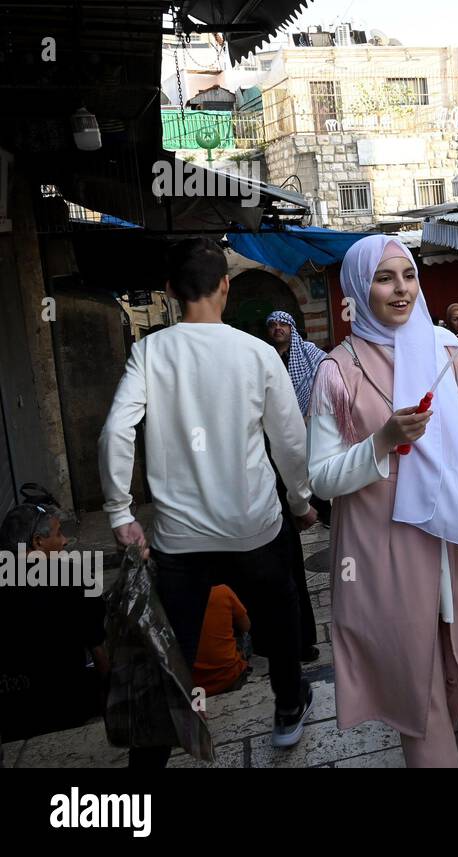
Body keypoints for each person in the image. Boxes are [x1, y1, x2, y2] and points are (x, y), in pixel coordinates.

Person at [307, 236, 458, 767]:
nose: (400, 289)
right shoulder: (336, 372)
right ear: (359, 288)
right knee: (416, 676)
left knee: (457, 658)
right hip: (382, 547)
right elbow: (321, 477)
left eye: (407, 275)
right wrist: (381, 442)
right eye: (385, 278)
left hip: (452, 535)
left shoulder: (446, 352)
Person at [99, 237, 317, 767]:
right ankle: (288, 709)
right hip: (255, 528)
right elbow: (289, 441)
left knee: (170, 650)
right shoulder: (259, 353)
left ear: (170, 291)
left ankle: (147, 761)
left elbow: (115, 432)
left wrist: (119, 513)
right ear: (225, 285)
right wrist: (301, 501)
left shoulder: (149, 352)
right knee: (280, 617)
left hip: (180, 543)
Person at [0, 504, 106, 744]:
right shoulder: (73, 577)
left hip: (8, 715)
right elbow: (100, 650)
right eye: (59, 533)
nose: (65, 541)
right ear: (38, 542)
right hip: (67, 707)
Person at [265, 309, 328, 660]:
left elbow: (327, 380)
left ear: (292, 328)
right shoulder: (265, 359)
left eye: (282, 324)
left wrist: (310, 414)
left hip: (314, 425)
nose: (277, 330)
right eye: (272, 325)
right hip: (283, 438)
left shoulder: (312, 355)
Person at [191, 585, 252, 697]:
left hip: (196, 685)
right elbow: (246, 626)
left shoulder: (171, 599)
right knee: (245, 635)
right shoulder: (222, 591)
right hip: (230, 677)